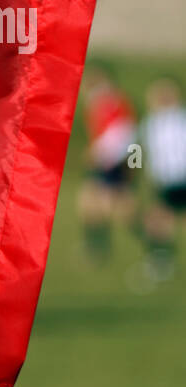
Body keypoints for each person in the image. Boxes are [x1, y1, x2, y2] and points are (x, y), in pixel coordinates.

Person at [77, 65, 137, 262]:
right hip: (112, 159)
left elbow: (122, 132)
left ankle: (154, 242)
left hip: (114, 160)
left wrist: (98, 152)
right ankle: (96, 248)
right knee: (89, 201)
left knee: (116, 208)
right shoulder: (98, 100)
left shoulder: (109, 100)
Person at [139, 77, 186, 282]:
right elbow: (138, 149)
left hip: (180, 177)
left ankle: (160, 261)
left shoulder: (179, 119)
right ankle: (161, 260)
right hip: (164, 181)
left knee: (157, 220)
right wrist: (136, 168)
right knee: (156, 221)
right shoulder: (150, 122)